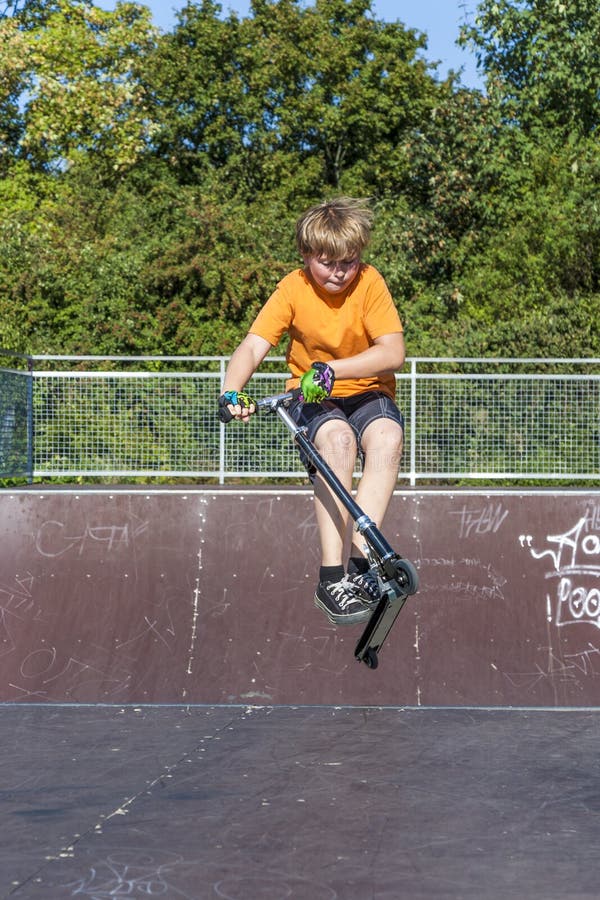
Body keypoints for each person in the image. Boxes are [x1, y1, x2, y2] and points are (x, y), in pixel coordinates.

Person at [218, 197, 405, 626]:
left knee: (387, 437)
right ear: (306, 256)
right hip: (313, 397)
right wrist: (231, 393)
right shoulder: (293, 289)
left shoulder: (371, 283)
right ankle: (331, 577)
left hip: (367, 389)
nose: (339, 273)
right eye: (327, 263)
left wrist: (332, 370)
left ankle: (363, 564)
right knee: (337, 441)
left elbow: (392, 352)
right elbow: (253, 345)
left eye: (349, 262)